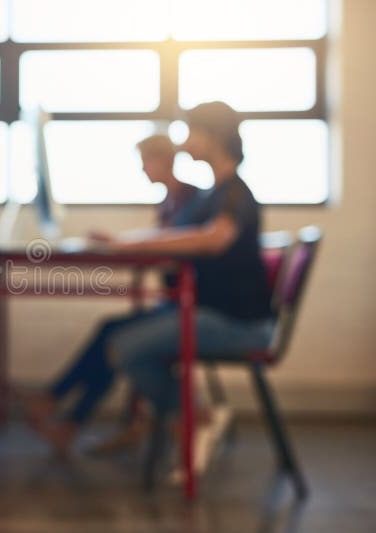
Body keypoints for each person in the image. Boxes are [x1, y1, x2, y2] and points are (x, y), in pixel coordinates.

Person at [20, 102, 274, 456]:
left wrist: (129, 243)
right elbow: (179, 235)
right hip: (211, 311)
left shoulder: (234, 194)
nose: (183, 144)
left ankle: (194, 415)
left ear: (212, 136)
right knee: (116, 332)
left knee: (124, 346)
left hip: (237, 323)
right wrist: (128, 243)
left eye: (190, 133)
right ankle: (183, 415)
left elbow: (214, 239)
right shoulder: (214, 194)